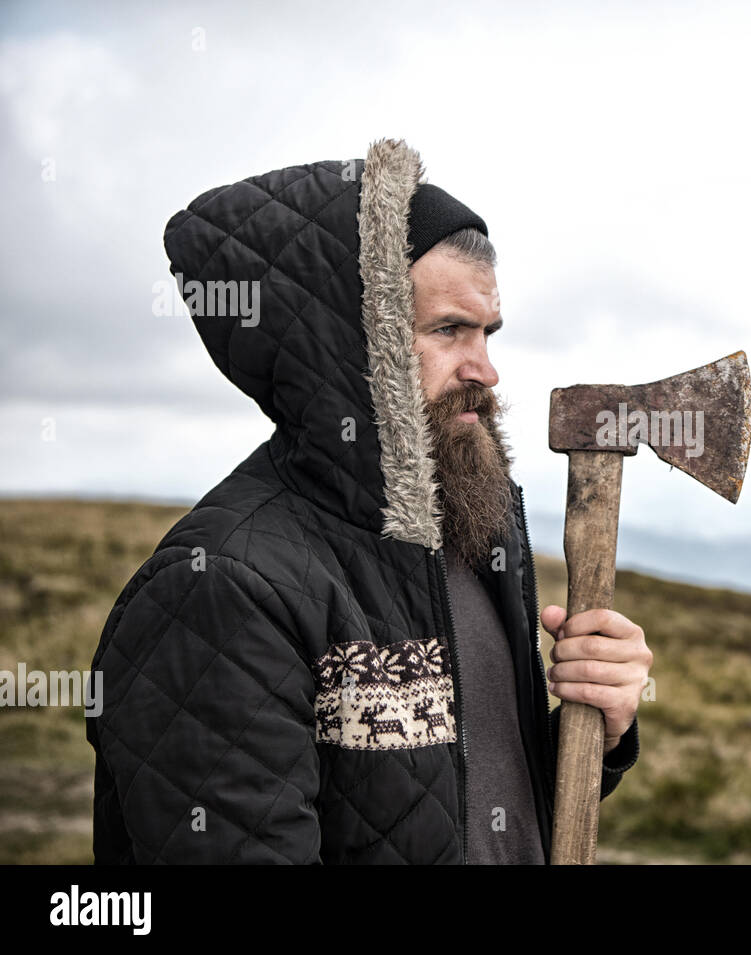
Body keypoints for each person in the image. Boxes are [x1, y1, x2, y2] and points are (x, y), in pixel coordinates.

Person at [85, 138, 652, 864]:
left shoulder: (473, 535)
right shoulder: (219, 591)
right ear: (354, 342)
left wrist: (596, 729)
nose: (486, 368)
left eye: (487, 332)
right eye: (448, 329)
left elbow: (464, 815)